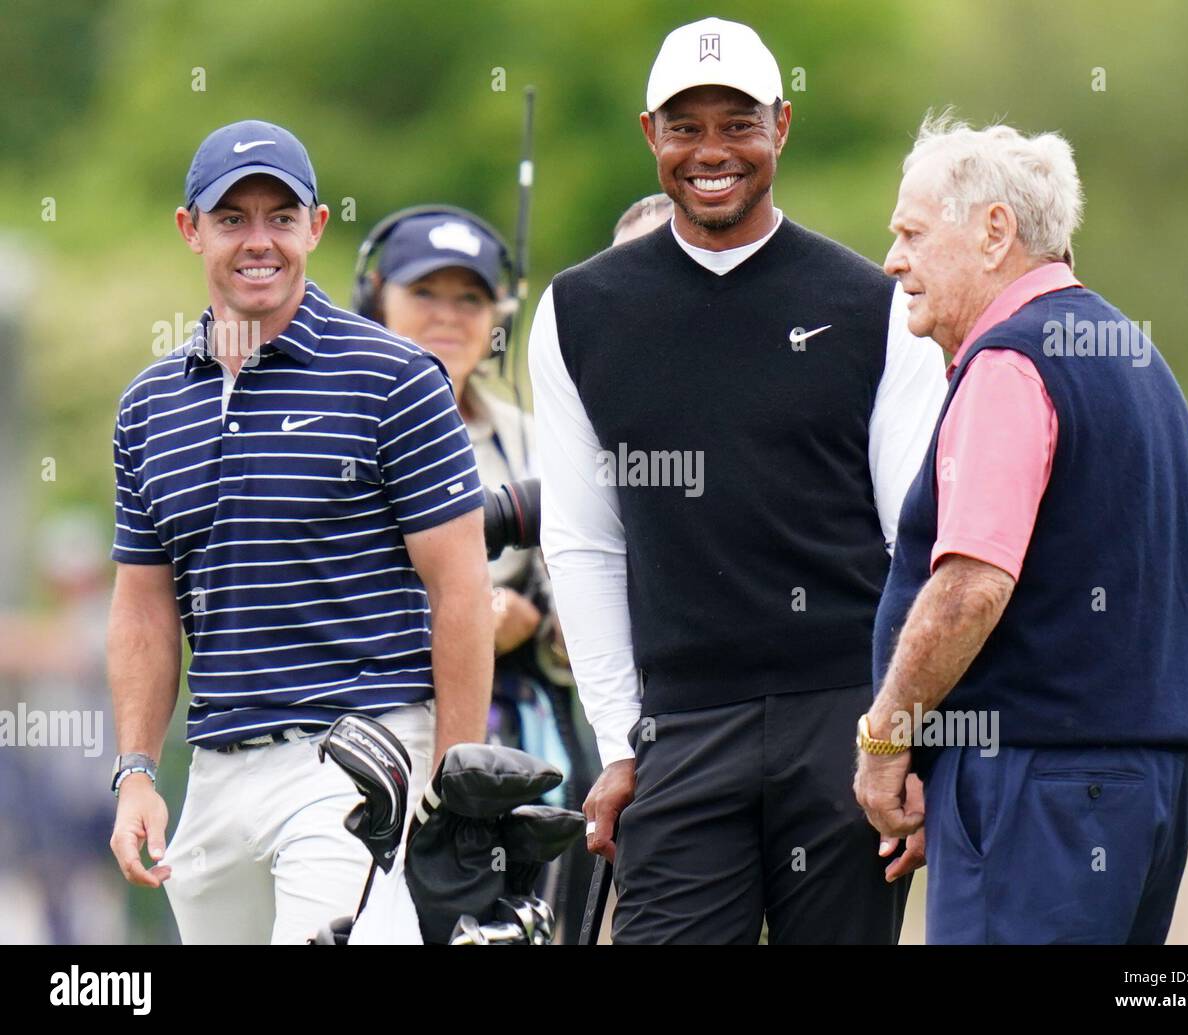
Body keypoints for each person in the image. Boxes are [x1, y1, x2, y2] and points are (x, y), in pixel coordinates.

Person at [529, 18, 948, 944]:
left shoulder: (871, 305)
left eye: (738, 123)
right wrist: (620, 739)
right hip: (679, 727)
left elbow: (913, 543)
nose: (712, 151)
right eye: (686, 126)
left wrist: (902, 737)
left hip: (844, 722)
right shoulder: (578, 313)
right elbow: (586, 543)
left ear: (782, 127)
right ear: (651, 135)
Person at [106, 120, 494, 944]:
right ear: (190, 230)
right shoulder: (148, 407)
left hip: (360, 753)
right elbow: (143, 607)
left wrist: (457, 789)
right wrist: (136, 772)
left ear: (316, 226)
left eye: (281, 217)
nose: (259, 241)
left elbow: (459, 587)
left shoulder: (394, 376)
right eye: (232, 218)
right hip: (217, 769)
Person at [855, 112, 1188, 944]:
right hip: (1141, 788)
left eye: (911, 232)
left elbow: (972, 584)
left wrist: (886, 738)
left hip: (1039, 785)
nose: (893, 261)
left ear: (994, 233)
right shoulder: (1137, 356)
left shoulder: (1010, 362)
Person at [357, 206, 598, 940]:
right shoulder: (340, 420)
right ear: (376, 298)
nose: (448, 316)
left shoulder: (533, 438)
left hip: (518, 723)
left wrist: (534, 623)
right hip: (373, 724)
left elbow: (592, 583)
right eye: (424, 293)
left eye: (469, 298)